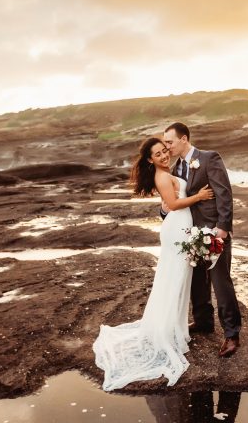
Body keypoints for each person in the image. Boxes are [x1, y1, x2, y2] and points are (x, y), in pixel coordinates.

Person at [92, 137, 215, 391]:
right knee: (175, 279)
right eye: (157, 154)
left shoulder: (167, 172)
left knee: (177, 279)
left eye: (163, 151)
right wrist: (200, 196)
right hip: (177, 228)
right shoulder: (161, 176)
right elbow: (172, 204)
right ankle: (168, 333)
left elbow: (168, 203)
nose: (163, 156)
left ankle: (174, 329)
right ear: (150, 160)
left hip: (181, 226)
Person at [162, 122, 242, 357]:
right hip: (188, 232)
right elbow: (176, 201)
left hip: (213, 231)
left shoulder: (209, 158)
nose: (167, 147)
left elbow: (224, 193)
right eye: (165, 142)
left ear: (184, 139)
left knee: (220, 281)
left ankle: (231, 334)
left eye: (170, 142)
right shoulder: (175, 169)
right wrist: (165, 210)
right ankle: (203, 321)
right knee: (197, 279)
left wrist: (223, 228)